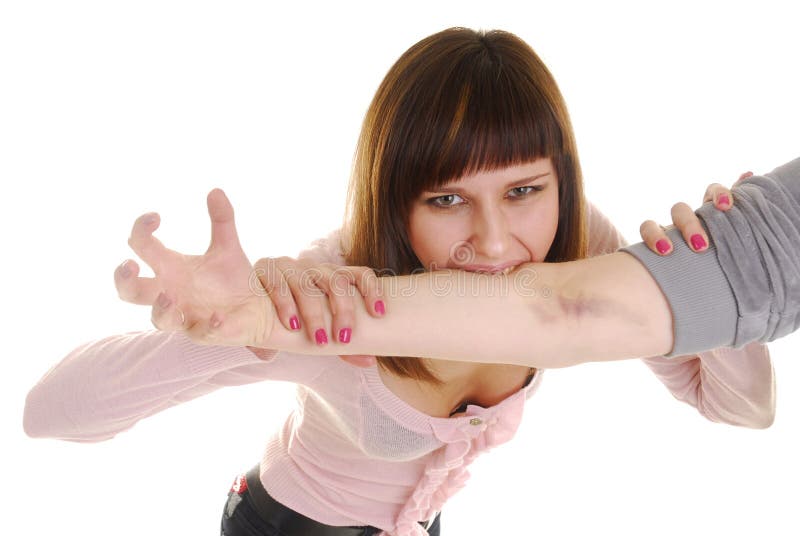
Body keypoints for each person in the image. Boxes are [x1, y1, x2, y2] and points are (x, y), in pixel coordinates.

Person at [23, 28, 780, 536]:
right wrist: (222, 324)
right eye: (446, 199)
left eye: (523, 191)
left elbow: (740, 410)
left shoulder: (578, 242)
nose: (492, 242)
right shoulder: (329, 302)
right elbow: (48, 415)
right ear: (396, 200)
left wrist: (716, 288)